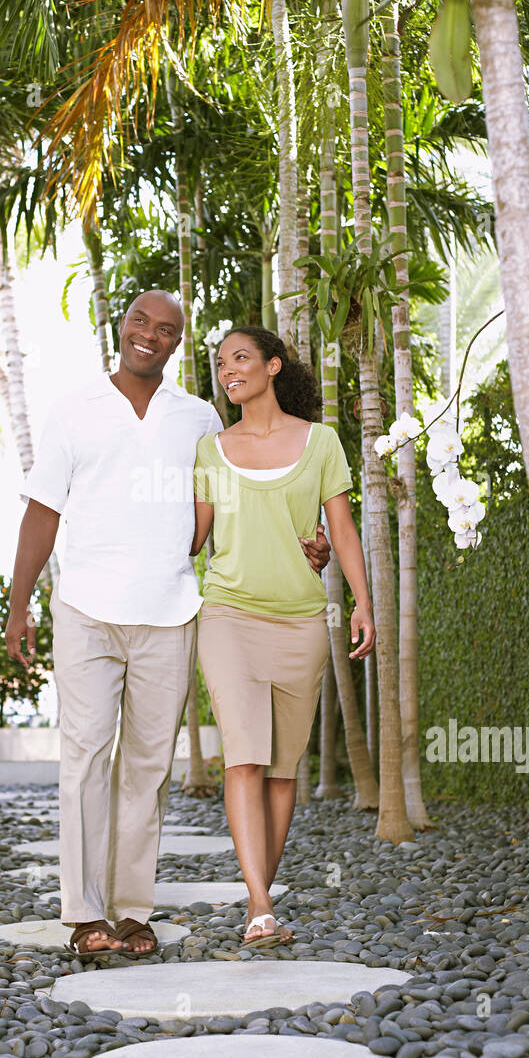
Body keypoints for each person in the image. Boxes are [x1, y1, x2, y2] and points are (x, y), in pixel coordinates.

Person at [5, 294, 332, 958]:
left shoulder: (199, 418)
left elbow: (236, 509)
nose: (150, 335)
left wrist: (310, 545)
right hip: (86, 608)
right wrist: (18, 604)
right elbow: (43, 513)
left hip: (170, 610)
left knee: (147, 768)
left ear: (178, 344)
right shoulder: (75, 410)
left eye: (167, 329)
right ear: (121, 327)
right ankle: (83, 913)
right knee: (87, 755)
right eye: (140, 323)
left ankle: (131, 912)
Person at [191, 325, 375, 948]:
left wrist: (362, 602)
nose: (228, 370)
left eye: (240, 358)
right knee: (244, 755)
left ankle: (255, 899)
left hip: (300, 621)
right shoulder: (210, 450)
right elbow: (194, 540)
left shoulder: (320, 442)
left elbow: (341, 531)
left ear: (272, 366)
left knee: (280, 771)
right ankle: (263, 904)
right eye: (221, 363)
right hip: (228, 615)